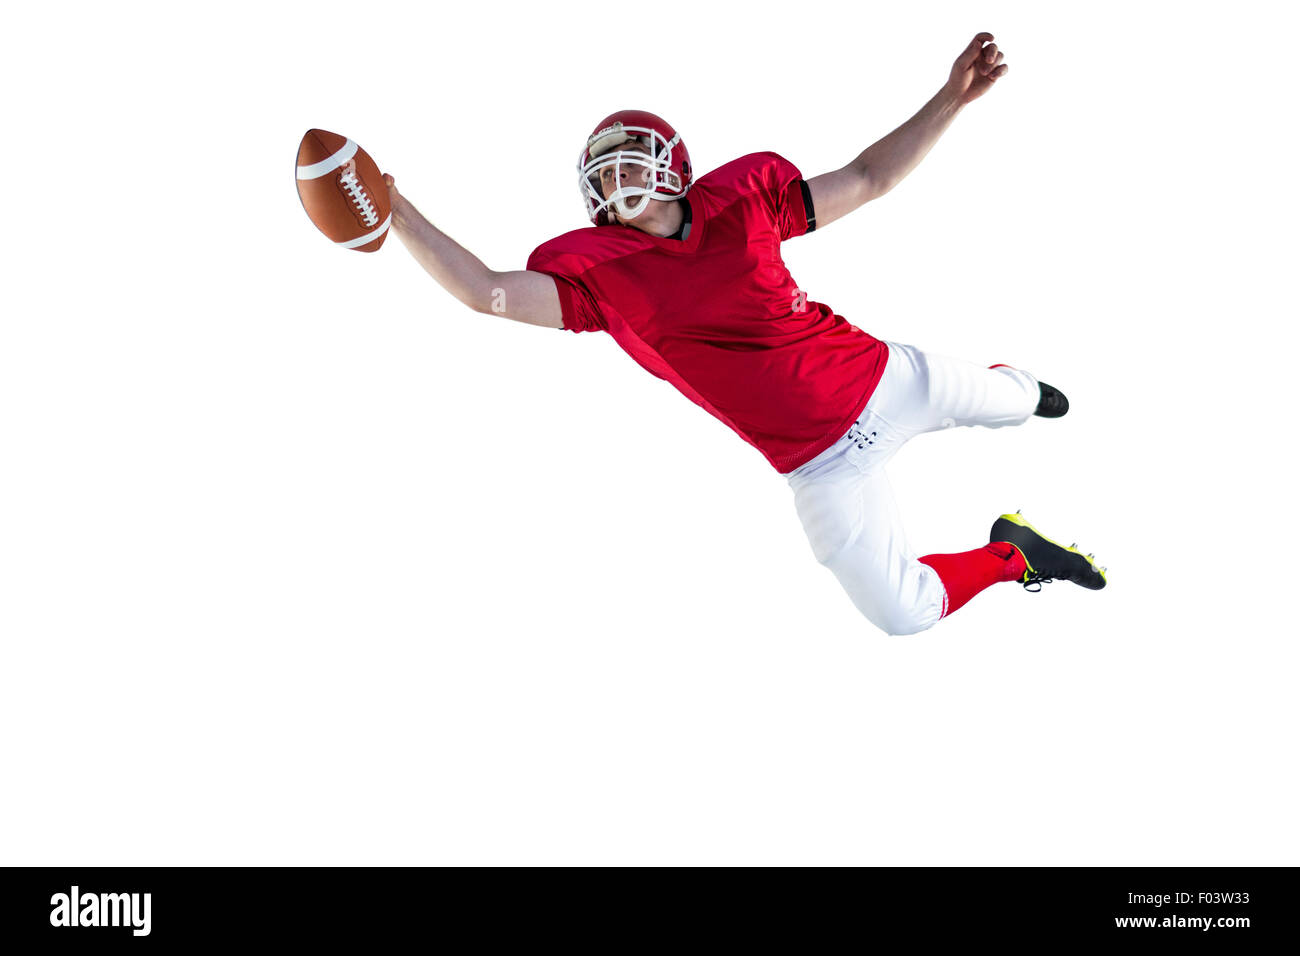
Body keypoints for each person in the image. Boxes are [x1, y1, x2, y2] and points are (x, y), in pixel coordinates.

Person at [382, 32, 1106, 636]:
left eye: (631, 155)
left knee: (1022, 403)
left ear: (673, 161)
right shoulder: (597, 275)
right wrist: (398, 212)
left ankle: (1009, 382)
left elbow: (867, 177)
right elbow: (487, 293)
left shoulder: (743, 198)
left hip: (888, 381)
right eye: (606, 167)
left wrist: (951, 97)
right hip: (820, 466)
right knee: (903, 614)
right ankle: (1014, 556)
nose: (617, 172)